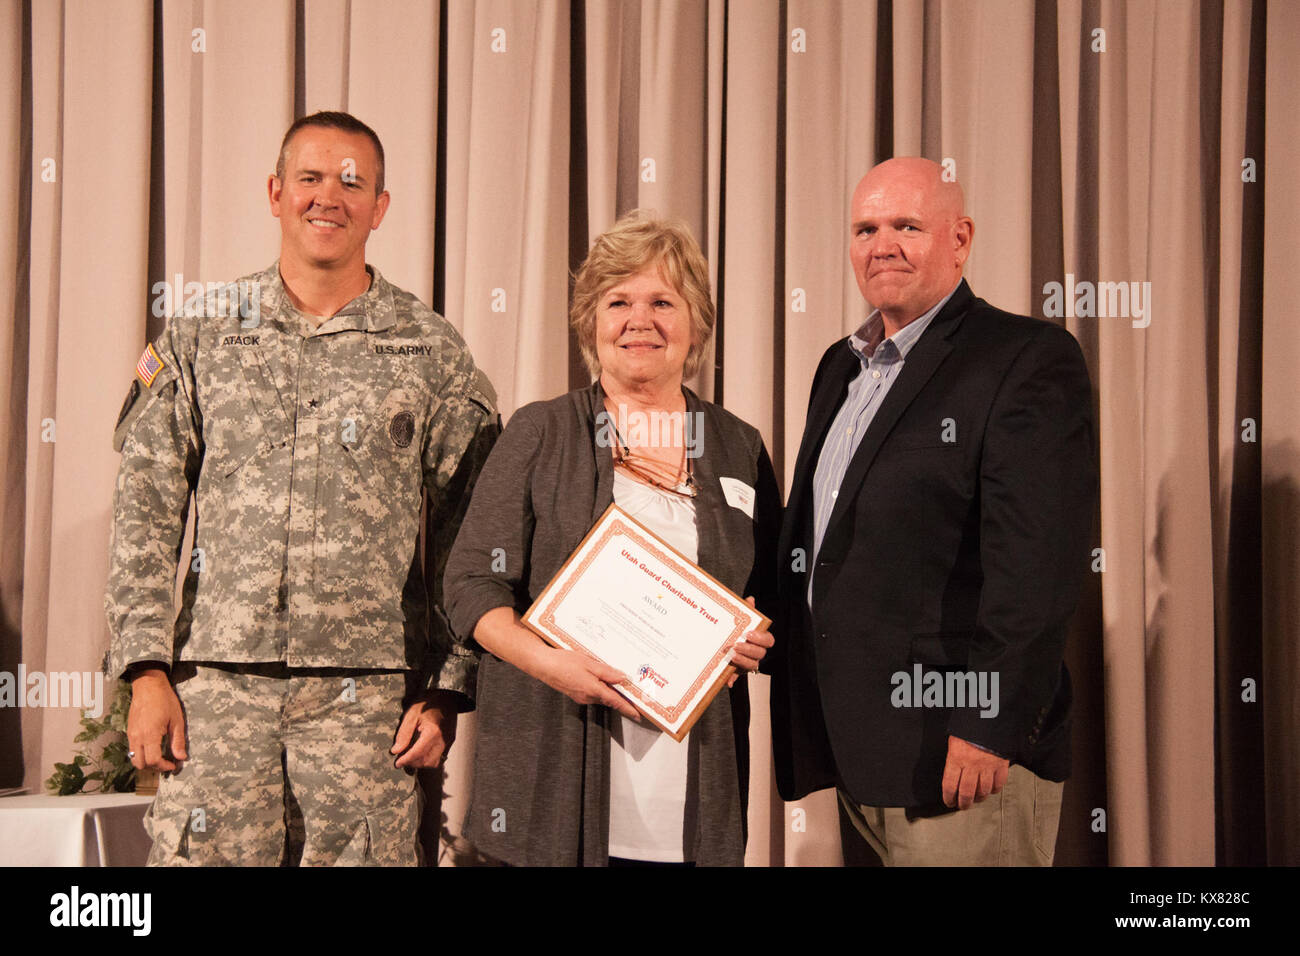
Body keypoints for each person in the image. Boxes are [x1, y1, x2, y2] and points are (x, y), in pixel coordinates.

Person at [105, 111, 499, 866]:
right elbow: (146, 510)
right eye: (311, 178)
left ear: (380, 206)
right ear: (276, 192)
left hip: (369, 703)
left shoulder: (430, 350)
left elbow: (469, 532)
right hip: (214, 689)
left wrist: (448, 688)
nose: (330, 197)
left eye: (352, 182)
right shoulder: (204, 333)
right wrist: (146, 670)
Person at [768, 157, 1097, 866]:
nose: (881, 244)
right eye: (866, 228)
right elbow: (818, 543)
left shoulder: (1024, 358)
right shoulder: (840, 367)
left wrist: (987, 724)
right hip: (857, 755)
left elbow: (1036, 568)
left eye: (906, 225)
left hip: (961, 760)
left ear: (960, 239)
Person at [444, 211, 780, 866]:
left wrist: (752, 636)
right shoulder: (540, 432)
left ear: (696, 321)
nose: (639, 319)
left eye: (662, 301)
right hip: (548, 782)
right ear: (592, 321)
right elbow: (468, 585)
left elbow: (765, 595)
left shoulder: (739, 446)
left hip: (691, 797)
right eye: (618, 301)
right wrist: (551, 663)